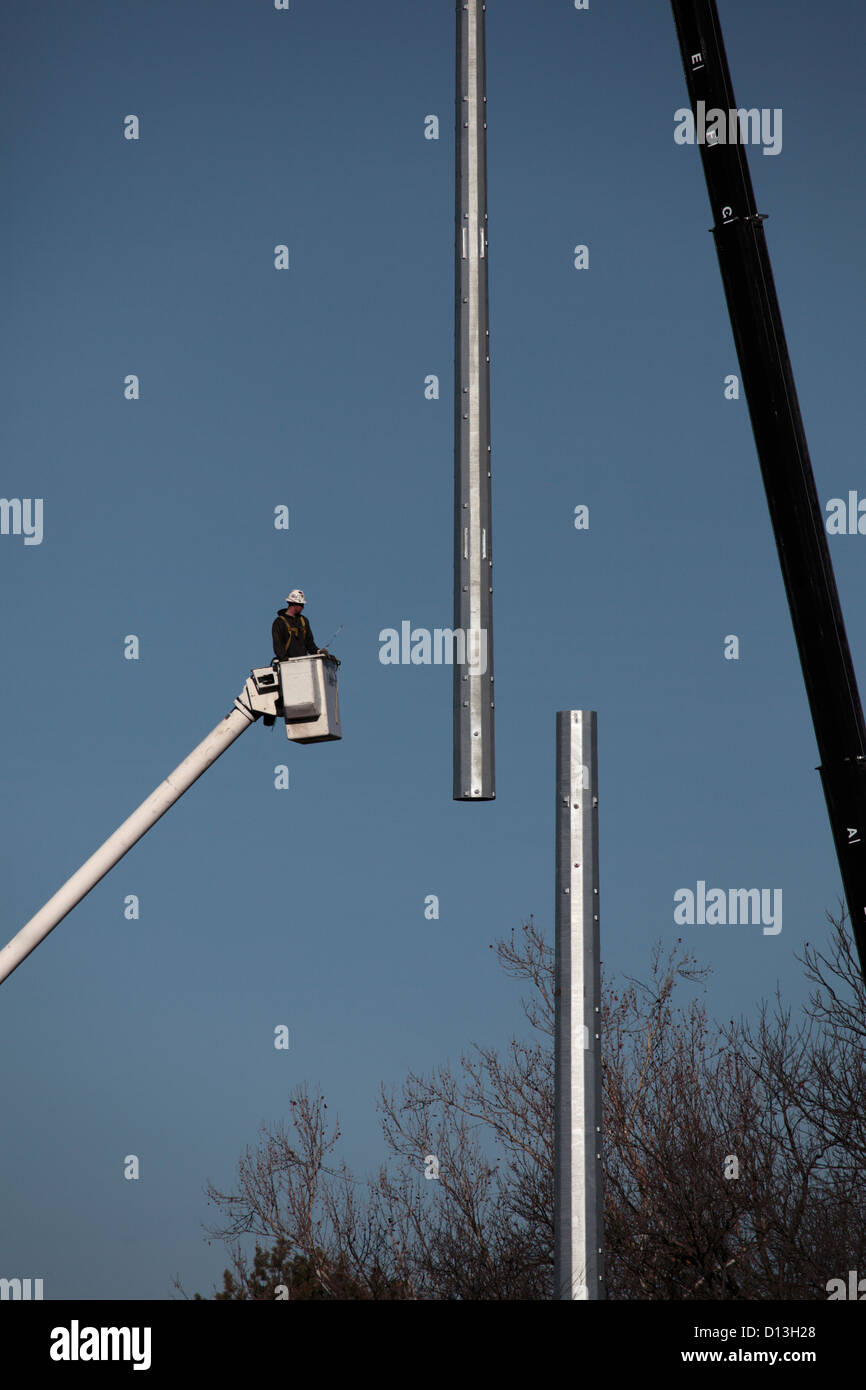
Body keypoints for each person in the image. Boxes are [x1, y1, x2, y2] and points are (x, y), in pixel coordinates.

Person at [272, 589, 325, 662]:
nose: (303, 607)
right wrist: (285, 661)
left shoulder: (303, 621)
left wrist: (318, 652)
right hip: (287, 664)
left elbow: (309, 643)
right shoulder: (279, 622)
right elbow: (278, 646)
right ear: (294, 604)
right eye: (301, 605)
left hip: (303, 663)